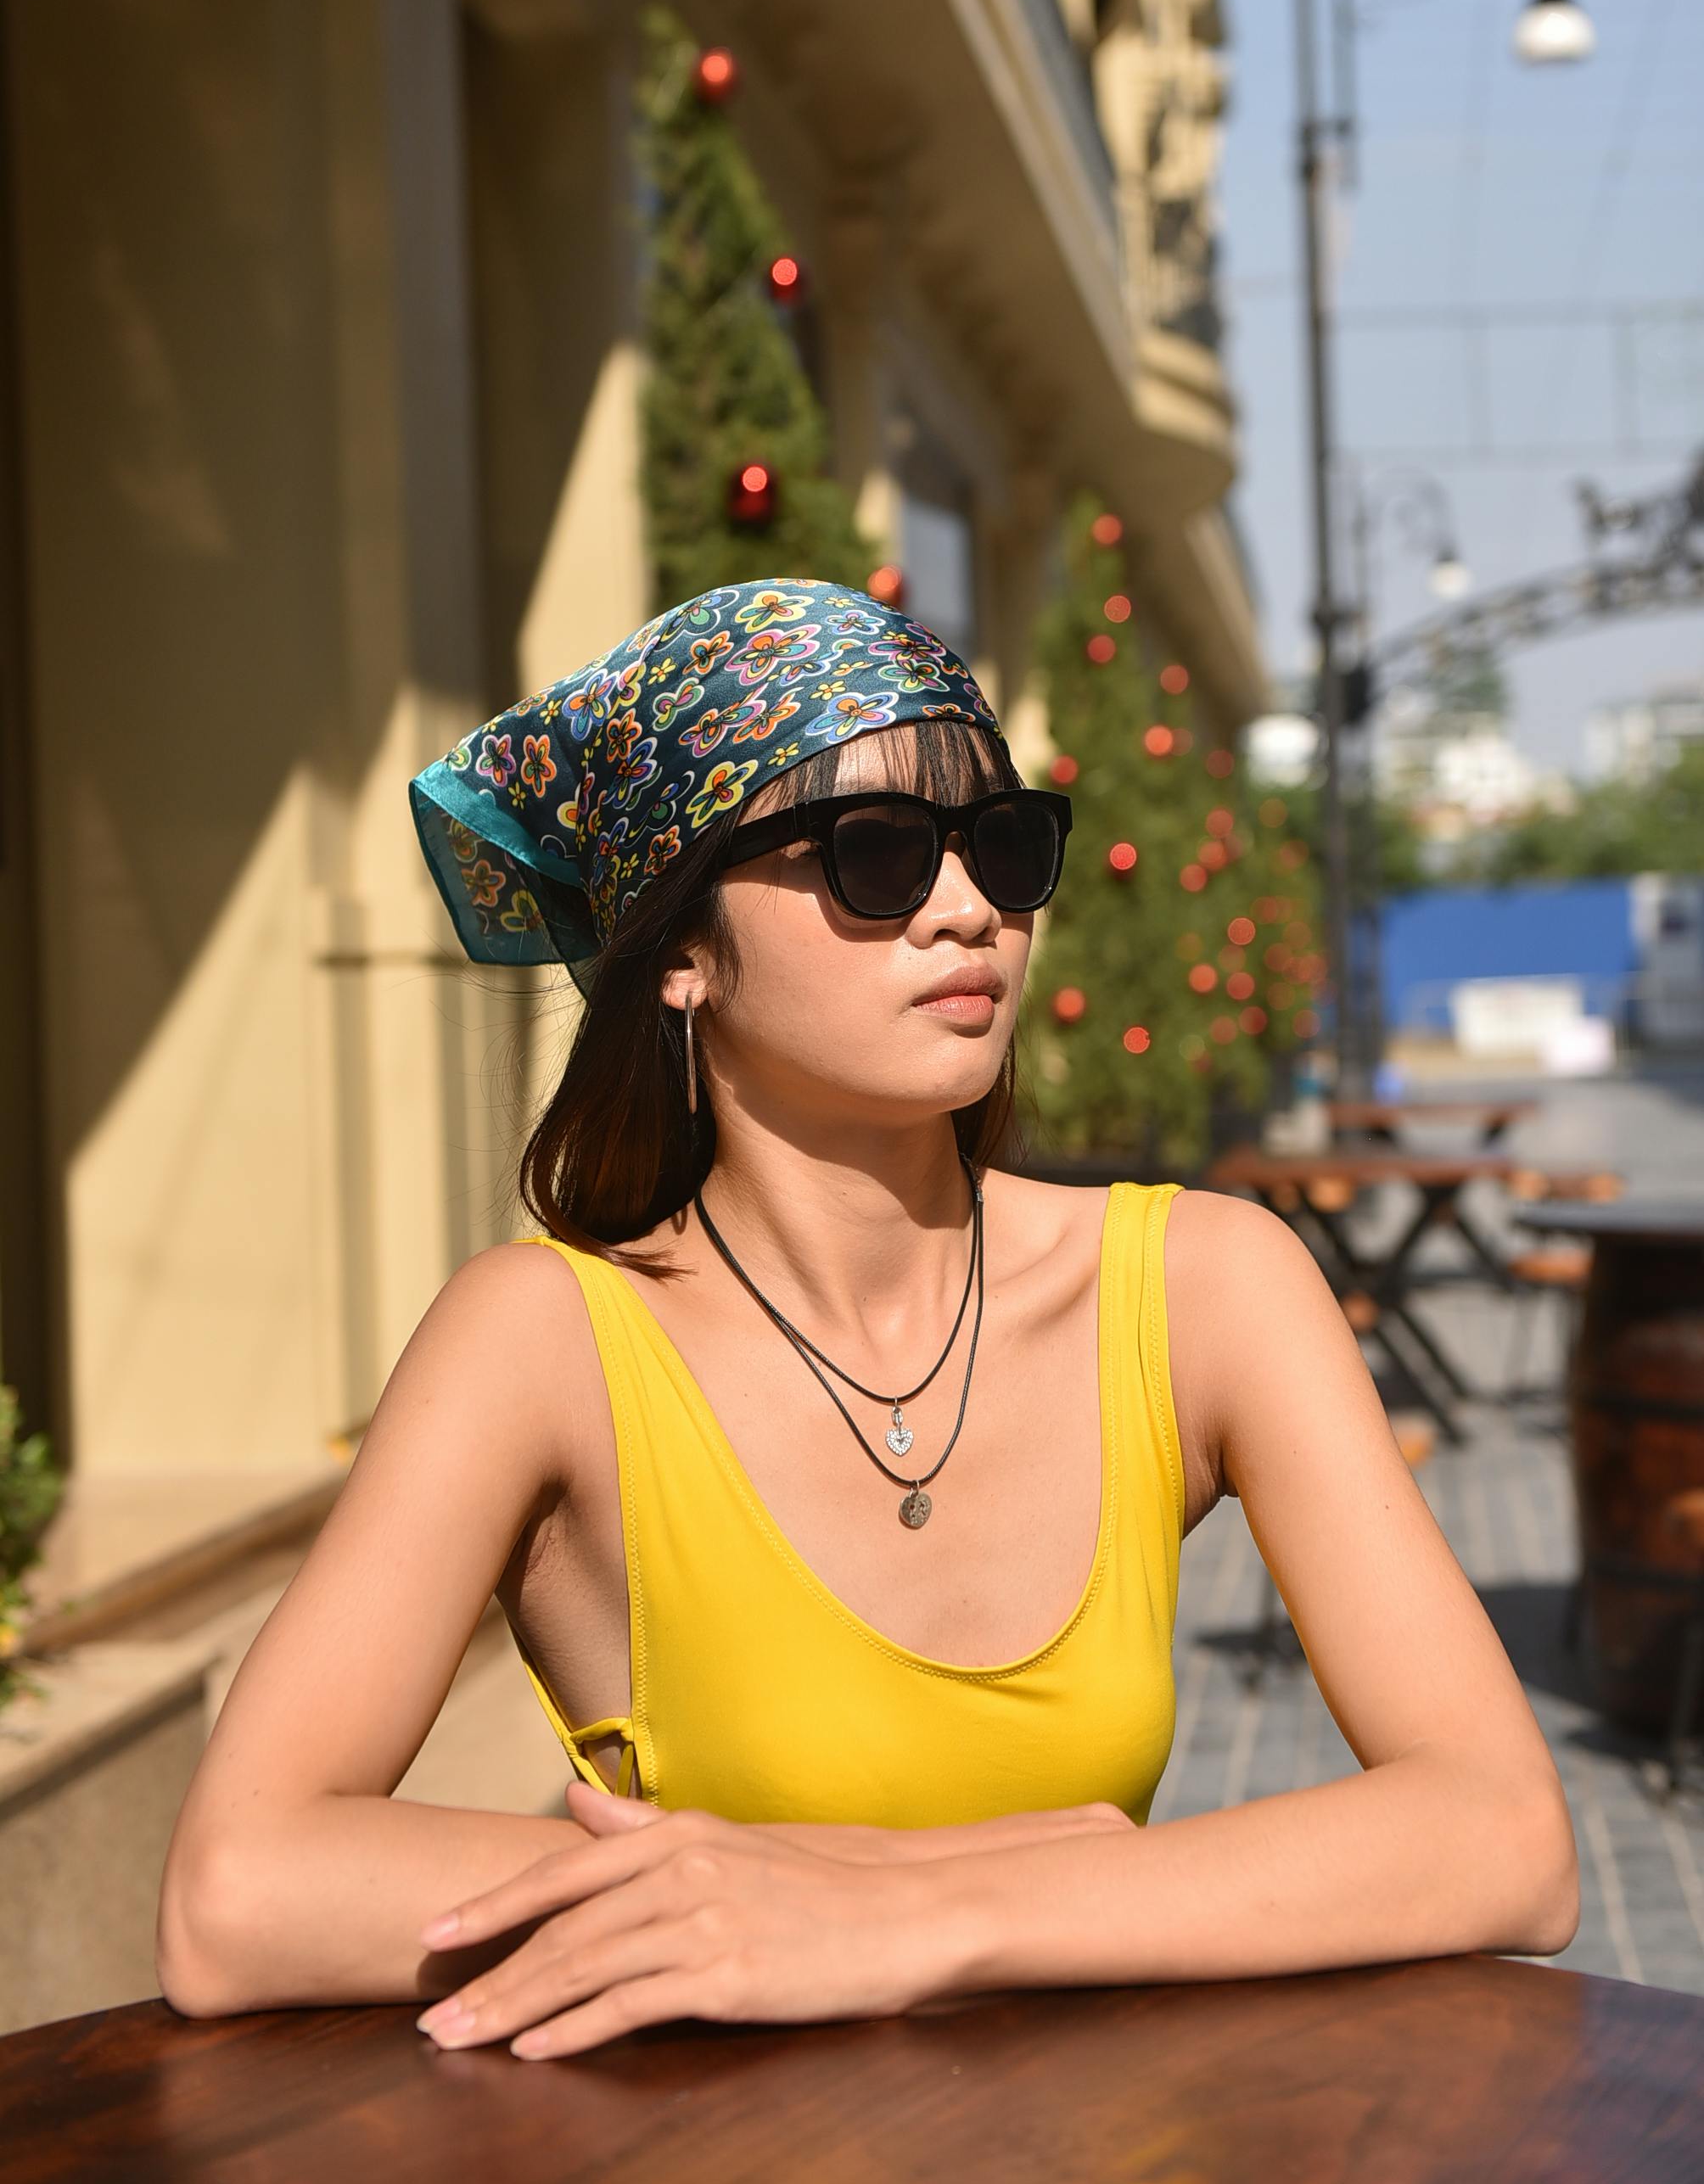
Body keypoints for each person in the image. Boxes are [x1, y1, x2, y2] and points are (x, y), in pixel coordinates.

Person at [155, 577, 1578, 2059]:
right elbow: (237, 1889)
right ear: (682, 950)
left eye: (1003, 846)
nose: (970, 910)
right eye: (875, 854)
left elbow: (1505, 1834)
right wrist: (835, 1892)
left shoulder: (1207, 1287)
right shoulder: (544, 1341)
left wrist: (916, 1911)